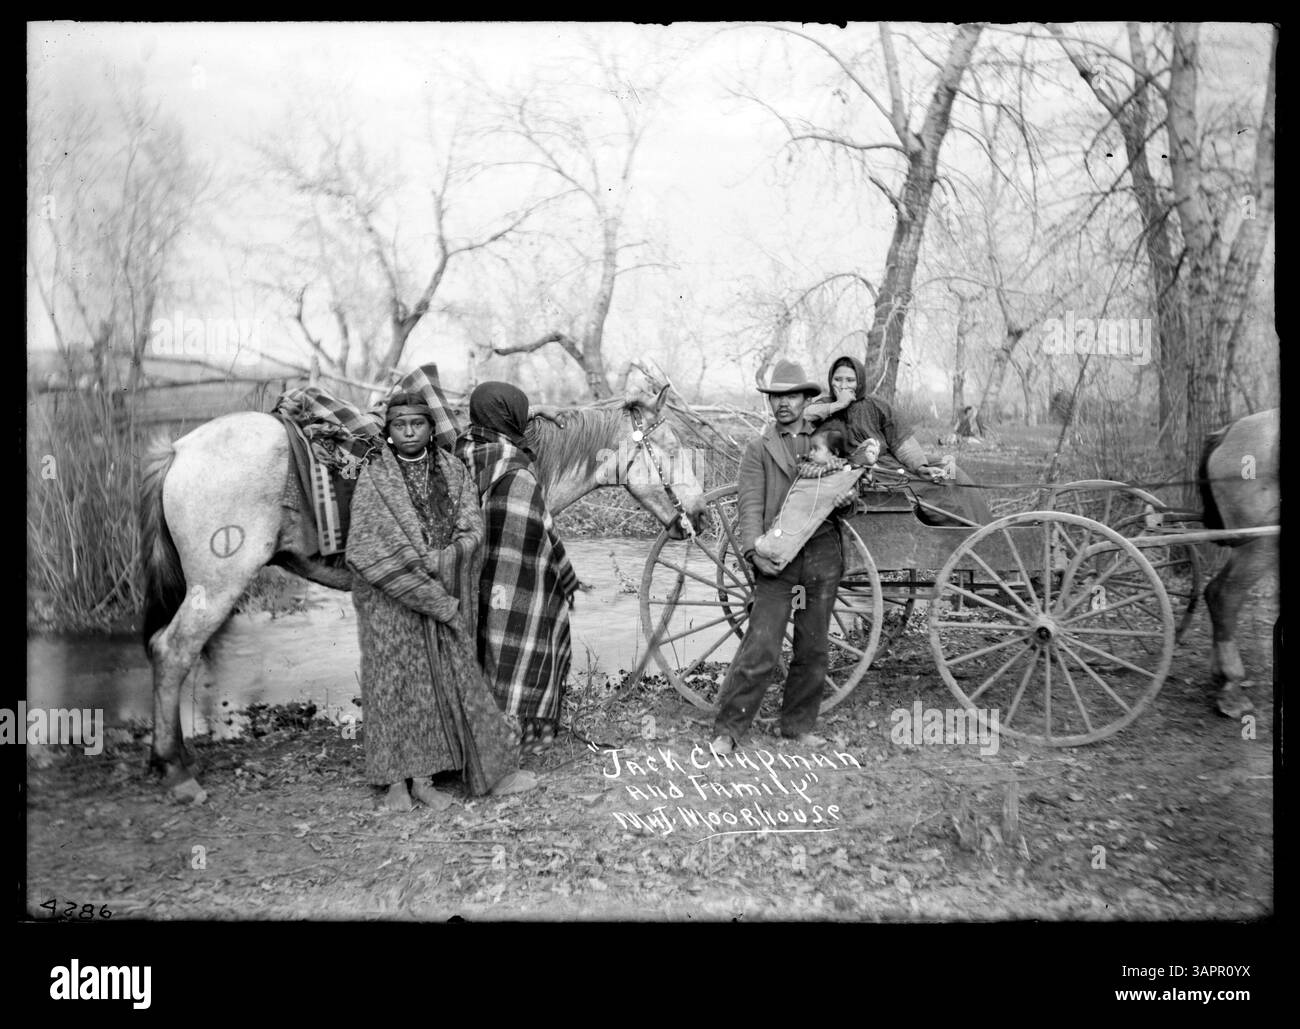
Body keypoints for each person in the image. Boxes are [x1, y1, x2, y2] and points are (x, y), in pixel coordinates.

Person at [347, 392, 534, 811]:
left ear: (431, 428)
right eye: (400, 425)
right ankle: (394, 782)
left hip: (446, 588)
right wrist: (415, 567)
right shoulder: (375, 477)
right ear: (389, 432)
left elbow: (472, 528)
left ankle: (425, 780)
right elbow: (364, 545)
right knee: (392, 685)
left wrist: (444, 561)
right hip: (391, 600)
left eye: (417, 423)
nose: (409, 432)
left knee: (442, 683)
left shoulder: (454, 470)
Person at [710, 359, 858, 756]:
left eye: (791, 396)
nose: (783, 404)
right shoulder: (759, 449)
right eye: (776, 397)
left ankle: (796, 726)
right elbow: (749, 505)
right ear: (770, 402)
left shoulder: (827, 438)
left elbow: (849, 486)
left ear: (806, 399)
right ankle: (729, 730)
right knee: (761, 645)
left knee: (813, 647)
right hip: (778, 559)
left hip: (822, 554)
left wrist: (847, 499)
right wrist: (752, 551)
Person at [454, 382, 579, 755]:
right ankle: (518, 734)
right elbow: (535, 533)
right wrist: (560, 573)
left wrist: (537, 410)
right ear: (509, 416)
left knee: (479, 650)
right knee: (529, 636)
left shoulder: (460, 451)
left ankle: (472, 736)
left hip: (467, 580)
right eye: (519, 413)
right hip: (512, 580)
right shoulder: (515, 469)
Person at [806, 355, 991, 527]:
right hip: (865, 470)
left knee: (950, 470)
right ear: (830, 380)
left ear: (859, 382)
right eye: (838, 379)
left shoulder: (875, 405)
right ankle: (954, 530)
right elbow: (804, 416)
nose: (843, 385)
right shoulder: (825, 406)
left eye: (850, 380)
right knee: (933, 492)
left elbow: (901, 441)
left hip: (892, 461)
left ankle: (983, 527)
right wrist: (838, 404)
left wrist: (921, 466)